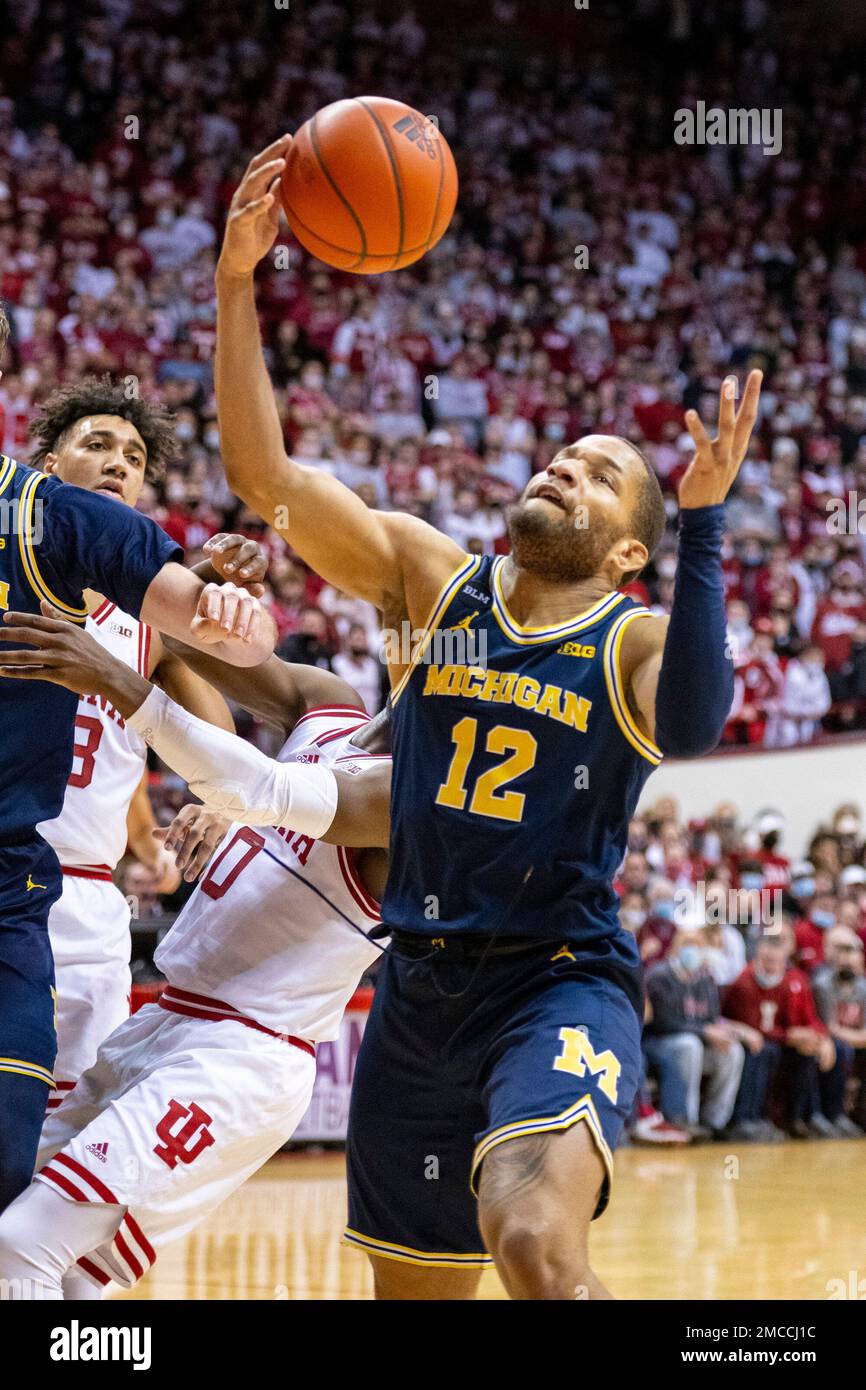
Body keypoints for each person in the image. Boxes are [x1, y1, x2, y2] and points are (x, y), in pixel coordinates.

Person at [211, 137, 761, 1300]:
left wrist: (703, 528)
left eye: (598, 474)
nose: (564, 466)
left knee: (536, 1246)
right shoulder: (428, 577)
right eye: (564, 454)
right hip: (414, 986)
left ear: (624, 552)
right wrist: (235, 284)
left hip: (555, 978)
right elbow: (265, 480)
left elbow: (701, 724)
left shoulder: (633, 638)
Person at [0, 606, 391, 1299]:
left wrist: (116, 681)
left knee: (20, 1245)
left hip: (242, 1056)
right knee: (68, 1274)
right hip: (169, 1022)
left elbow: (263, 789)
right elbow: (188, 637)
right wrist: (207, 589)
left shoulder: (405, 795)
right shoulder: (331, 706)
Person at [0, 307, 277, 1217]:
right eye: (97, 444)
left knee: (68, 1150)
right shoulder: (20, 553)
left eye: (135, 455)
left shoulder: (152, 618)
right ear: (49, 470)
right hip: (19, 868)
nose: (120, 461)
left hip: (80, 904)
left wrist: (221, 805)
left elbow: (216, 739)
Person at [643, 930, 747, 1137]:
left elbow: (711, 1019)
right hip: (658, 1043)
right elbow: (662, 1022)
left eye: (698, 946)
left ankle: (715, 1121)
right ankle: (683, 1119)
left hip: (695, 1043)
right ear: (674, 948)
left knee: (732, 1050)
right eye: (687, 944)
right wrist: (705, 1032)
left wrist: (722, 1033)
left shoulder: (706, 980)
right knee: (689, 1045)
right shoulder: (659, 975)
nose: (693, 951)